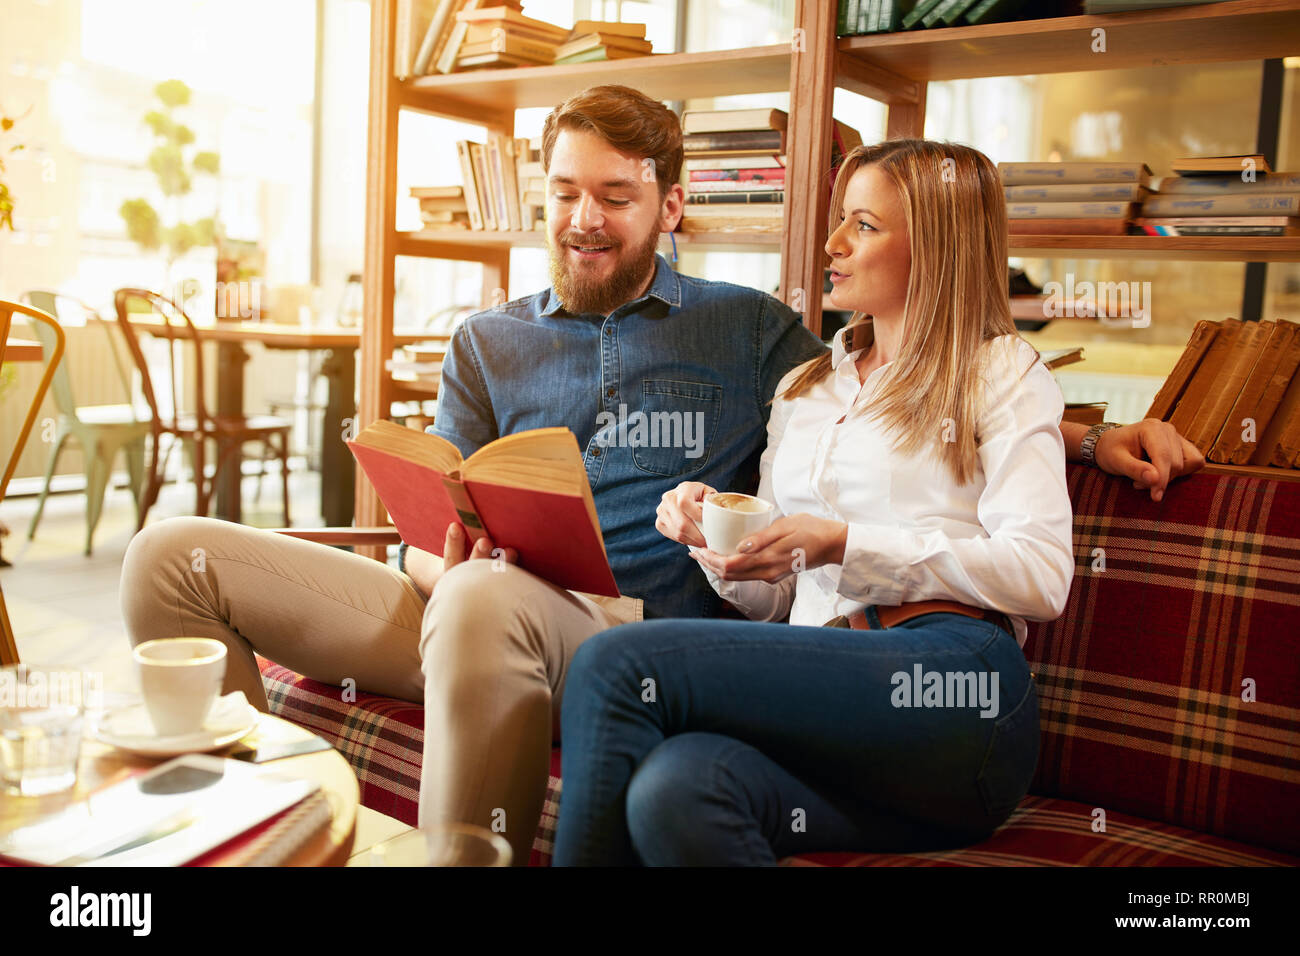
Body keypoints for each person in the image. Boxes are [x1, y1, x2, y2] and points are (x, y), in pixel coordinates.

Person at [120, 89, 1202, 866]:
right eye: (563, 192)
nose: (582, 218)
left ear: (670, 206)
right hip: (473, 606)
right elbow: (795, 522)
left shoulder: (755, 336)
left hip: (646, 634)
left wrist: (1083, 433)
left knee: (529, 619)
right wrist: (439, 556)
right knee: (174, 552)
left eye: (614, 196)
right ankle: (244, 840)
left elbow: (939, 411)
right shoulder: (502, 343)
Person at [551, 139, 1171, 866]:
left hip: (953, 684)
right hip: (839, 695)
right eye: (840, 220)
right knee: (681, 790)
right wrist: (717, 545)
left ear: (935, 247)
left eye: (864, 225)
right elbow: (779, 599)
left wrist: (846, 541)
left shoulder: (1002, 371)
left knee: (612, 664)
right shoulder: (806, 389)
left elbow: (1039, 575)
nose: (833, 242)